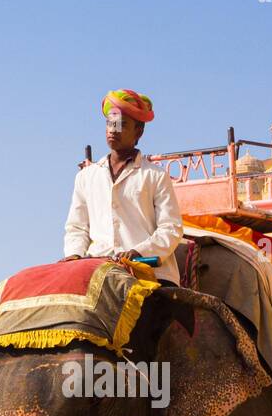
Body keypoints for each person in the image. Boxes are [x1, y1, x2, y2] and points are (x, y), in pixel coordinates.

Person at [63, 89, 183, 283]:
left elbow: (171, 228)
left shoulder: (156, 176)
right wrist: (74, 255)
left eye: (121, 125)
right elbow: (77, 227)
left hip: (149, 272)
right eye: (110, 123)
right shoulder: (86, 177)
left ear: (139, 131)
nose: (112, 130)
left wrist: (139, 251)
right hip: (98, 270)